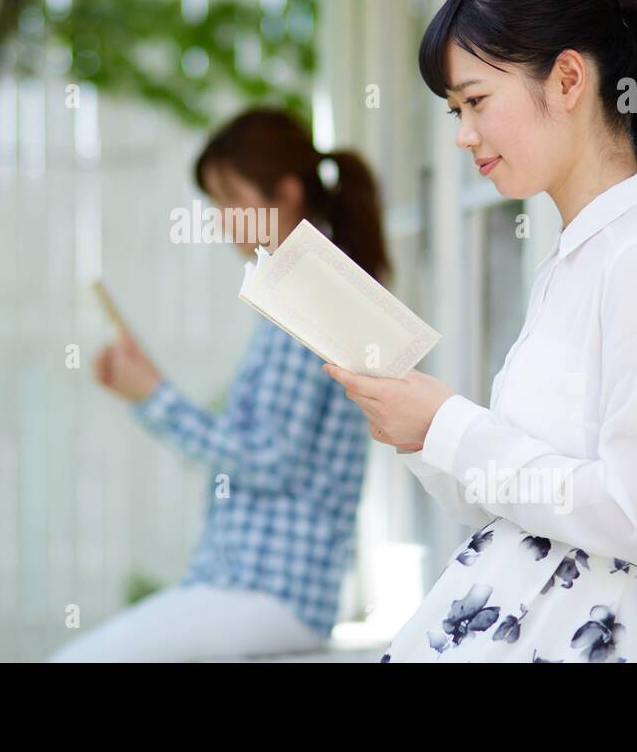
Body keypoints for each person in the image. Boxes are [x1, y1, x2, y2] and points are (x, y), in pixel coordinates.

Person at [325, 0, 637, 663]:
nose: (464, 134)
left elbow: (635, 511)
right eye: (456, 110)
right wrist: (423, 436)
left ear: (566, 79)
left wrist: (450, 426)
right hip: (523, 610)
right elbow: (522, 498)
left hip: (585, 625)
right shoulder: (575, 261)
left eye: (477, 101)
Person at [49, 107, 389, 662]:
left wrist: (154, 399)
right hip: (261, 587)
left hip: (269, 590)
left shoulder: (313, 297)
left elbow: (270, 458)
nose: (221, 219)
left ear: (286, 192)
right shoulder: (308, 289)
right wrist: (151, 388)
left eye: (230, 199)